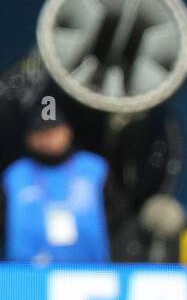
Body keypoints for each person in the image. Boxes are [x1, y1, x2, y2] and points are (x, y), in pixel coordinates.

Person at [1, 105, 129, 264]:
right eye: (42, 133)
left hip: (90, 271)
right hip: (24, 274)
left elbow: (120, 215)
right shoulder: (15, 175)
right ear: (29, 138)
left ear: (67, 132)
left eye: (54, 131)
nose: (49, 138)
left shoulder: (94, 169)